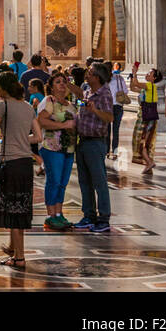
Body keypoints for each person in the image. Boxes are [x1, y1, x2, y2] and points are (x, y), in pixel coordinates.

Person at [0, 72, 41, 270]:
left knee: (14, 211)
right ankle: (13, 248)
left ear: (2, 88)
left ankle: (19, 257)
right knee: (19, 208)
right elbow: (38, 137)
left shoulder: (2, 105)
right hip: (25, 163)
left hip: (10, 163)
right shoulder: (27, 107)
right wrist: (20, 139)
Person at [74, 61, 113, 232]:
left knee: (99, 181)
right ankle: (89, 215)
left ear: (97, 77)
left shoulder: (104, 94)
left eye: (90, 72)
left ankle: (103, 218)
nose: (87, 74)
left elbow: (109, 117)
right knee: (84, 181)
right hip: (82, 140)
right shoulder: (88, 91)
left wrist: (95, 110)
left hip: (95, 142)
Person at [37, 71, 78, 230]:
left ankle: (59, 214)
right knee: (53, 181)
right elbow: (42, 121)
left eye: (64, 81)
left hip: (68, 147)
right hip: (51, 146)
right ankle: (50, 215)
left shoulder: (70, 105)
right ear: (52, 88)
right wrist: (63, 126)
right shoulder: (49, 101)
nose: (62, 84)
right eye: (58, 82)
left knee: (63, 182)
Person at [130, 63, 161, 173]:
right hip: (146, 117)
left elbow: (136, 83)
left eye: (150, 73)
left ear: (154, 78)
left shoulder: (150, 86)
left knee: (141, 141)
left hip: (146, 119)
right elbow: (133, 87)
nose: (147, 74)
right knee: (144, 142)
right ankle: (148, 165)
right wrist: (132, 76)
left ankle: (149, 162)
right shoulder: (146, 88)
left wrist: (135, 73)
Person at [108, 63, 129, 157]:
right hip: (119, 105)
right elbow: (126, 91)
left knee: (107, 129)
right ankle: (115, 150)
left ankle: (106, 150)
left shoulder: (108, 79)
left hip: (109, 106)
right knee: (116, 130)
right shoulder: (120, 78)